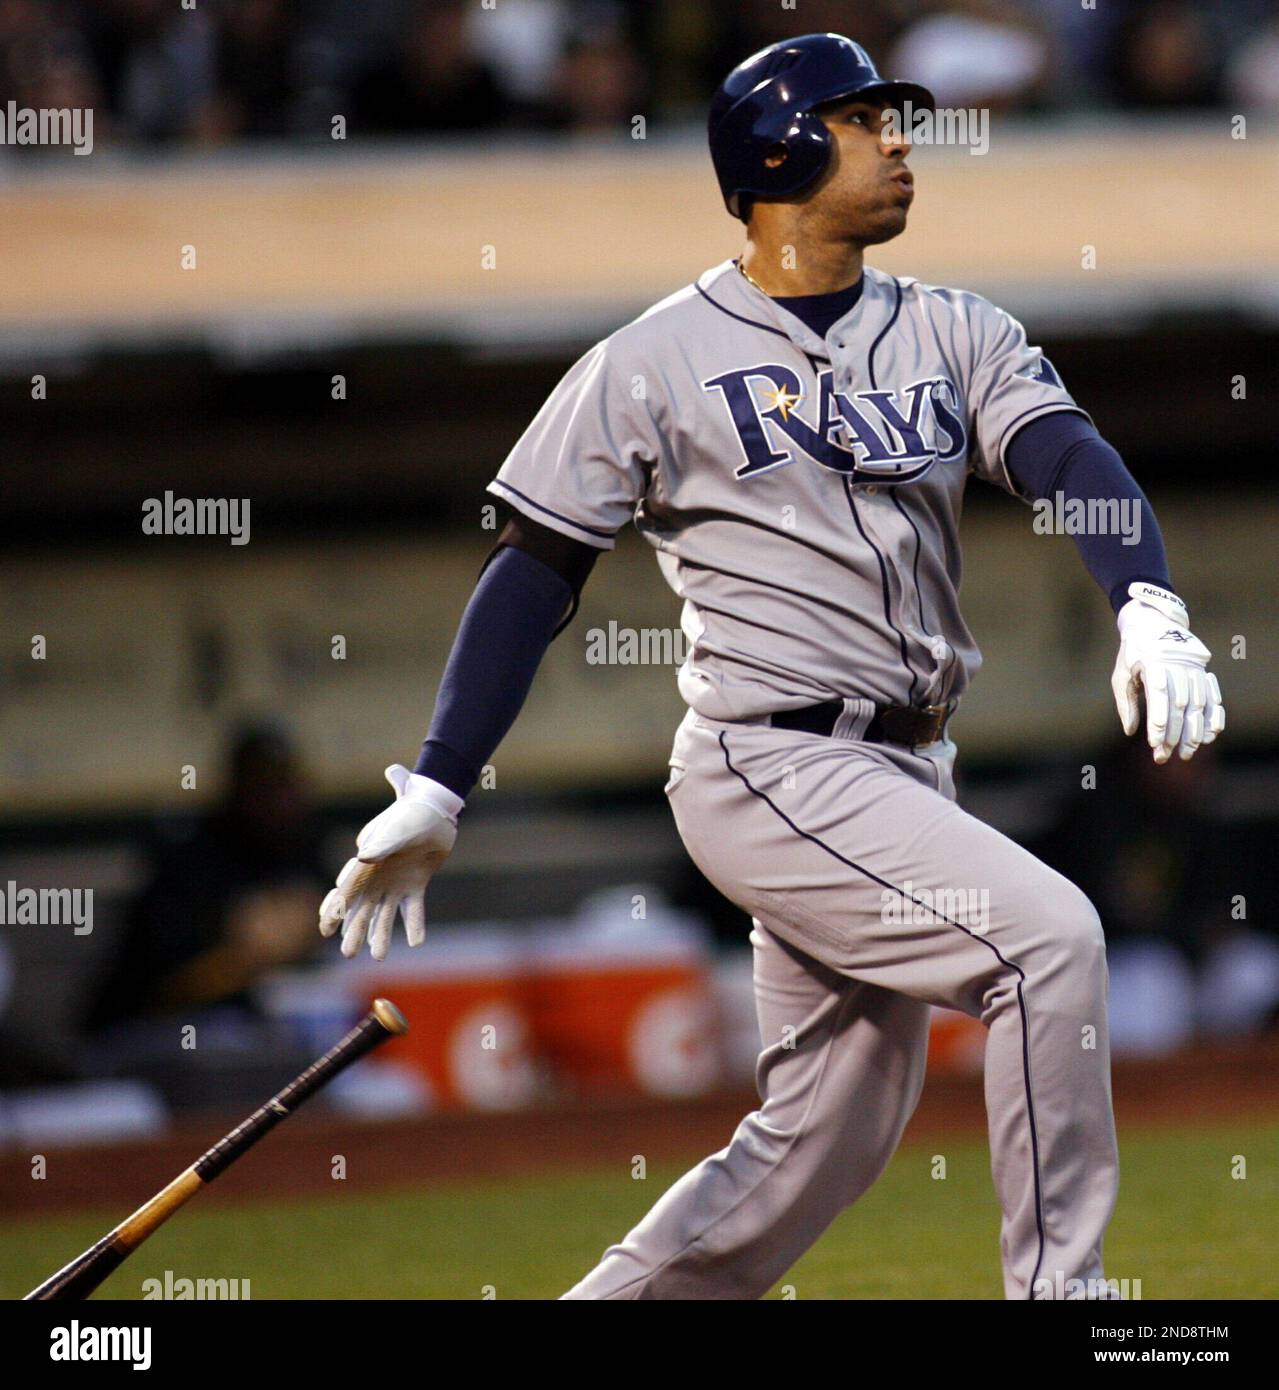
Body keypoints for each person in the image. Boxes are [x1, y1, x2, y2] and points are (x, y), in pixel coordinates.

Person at [318, 33, 1225, 1299]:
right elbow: (533, 570)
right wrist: (438, 782)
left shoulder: (955, 330)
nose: (903, 140)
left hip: (909, 765)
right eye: (866, 119)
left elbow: (1071, 460)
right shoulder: (647, 361)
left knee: (820, 1141)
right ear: (781, 145)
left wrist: (1147, 603)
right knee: (1049, 944)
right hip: (769, 755)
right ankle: (1060, 1293)